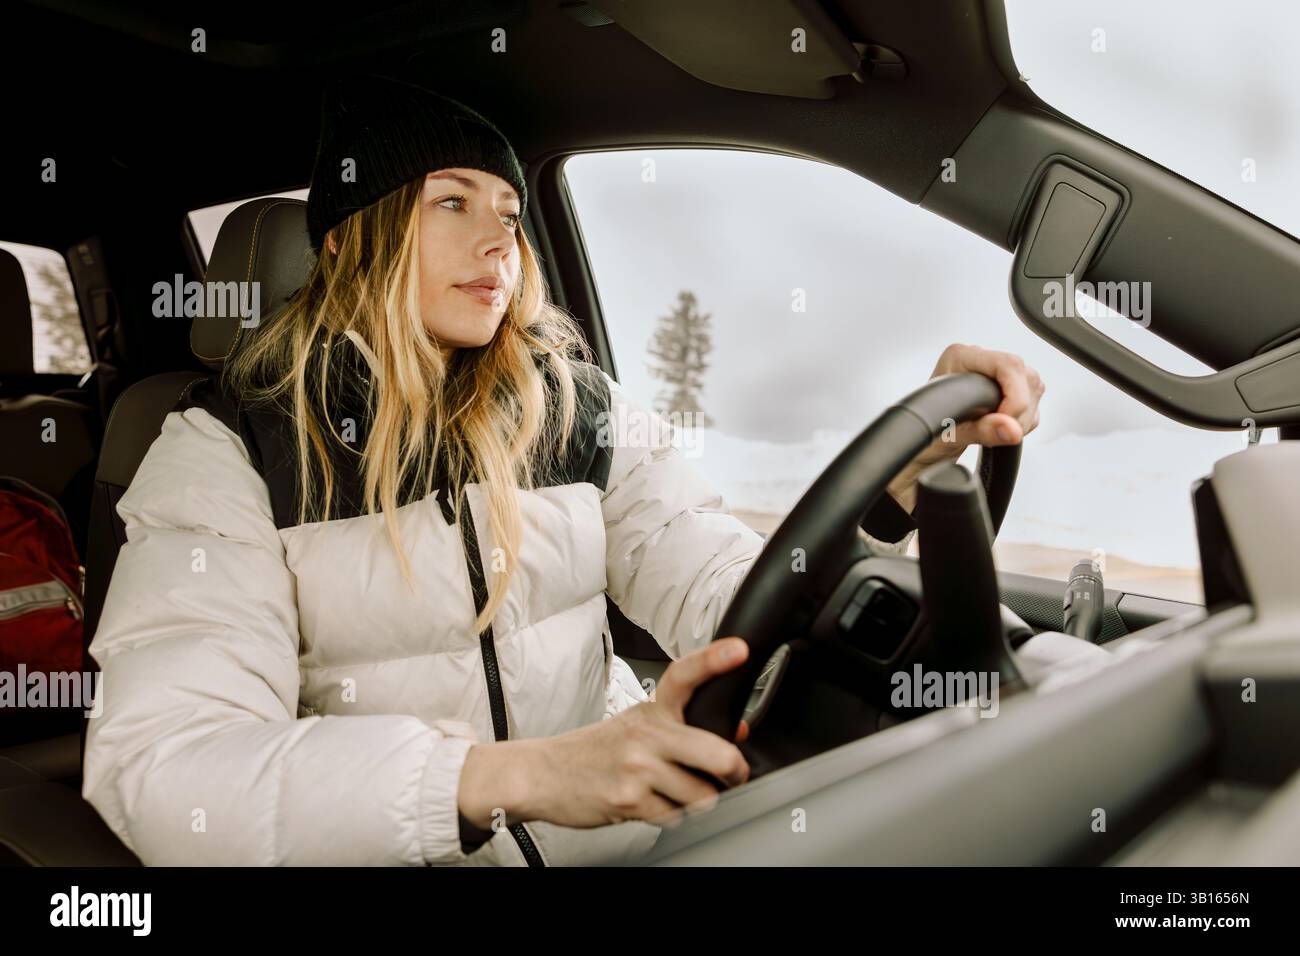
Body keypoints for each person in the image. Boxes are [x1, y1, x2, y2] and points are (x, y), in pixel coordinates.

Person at [81, 73, 1045, 866]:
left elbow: (715, 579)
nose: (499, 239)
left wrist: (902, 485)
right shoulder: (227, 448)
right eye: (449, 203)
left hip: (638, 844)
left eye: (506, 209)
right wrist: (519, 778)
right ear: (347, 241)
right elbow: (171, 769)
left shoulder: (575, 406)